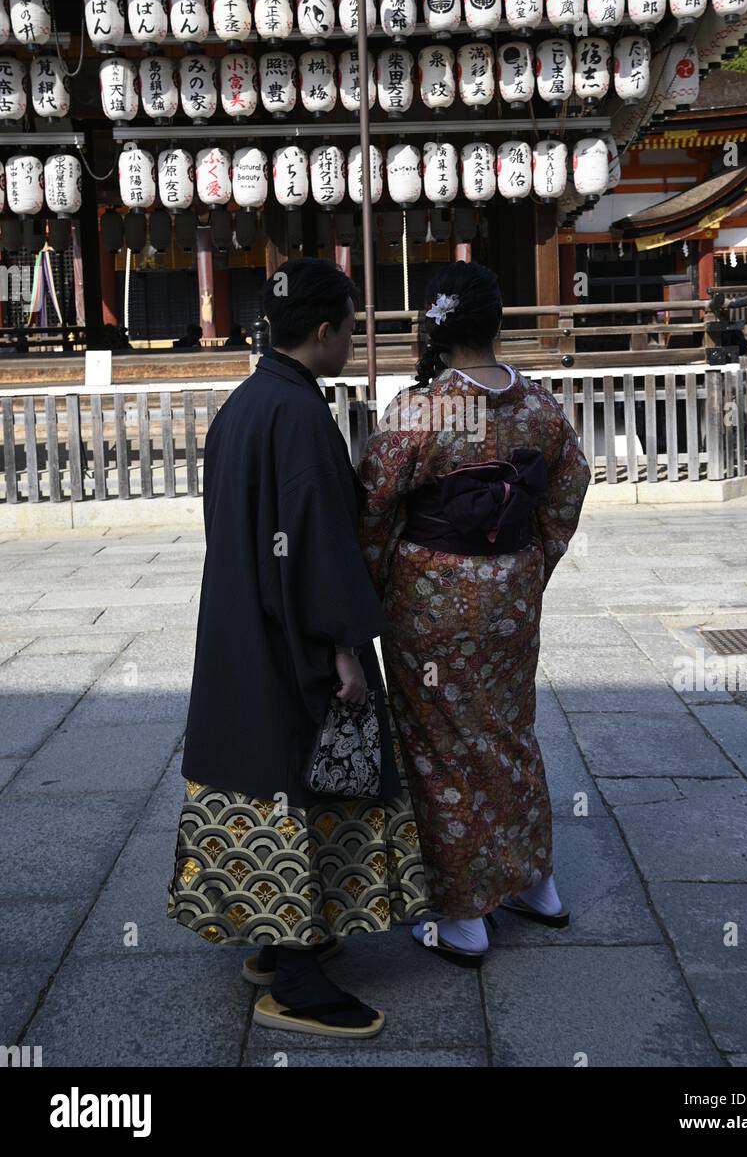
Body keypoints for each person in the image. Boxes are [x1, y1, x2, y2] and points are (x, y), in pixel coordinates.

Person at [166, 259, 430, 1039]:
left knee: (268, 777)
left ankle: (280, 948)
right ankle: (299, 981)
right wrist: (343, 648)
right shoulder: (303, 417)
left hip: (244, 627)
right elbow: (315, 543)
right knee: (304, 786)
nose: (354, 338)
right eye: (351, 326)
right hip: (294, 642)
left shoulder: (246, 403)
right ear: (324, 333)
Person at [357, 261, 591, 968]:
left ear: (433, 325)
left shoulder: (417, 409)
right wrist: (529, 565)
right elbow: (569, 489)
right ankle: (537, 884)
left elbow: (374, 511)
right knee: (509, 730)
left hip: (431, 598)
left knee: (442, 747)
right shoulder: (541, 407)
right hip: (512, 594)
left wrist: (375, 586)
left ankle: (464, 919)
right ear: (496, 323)